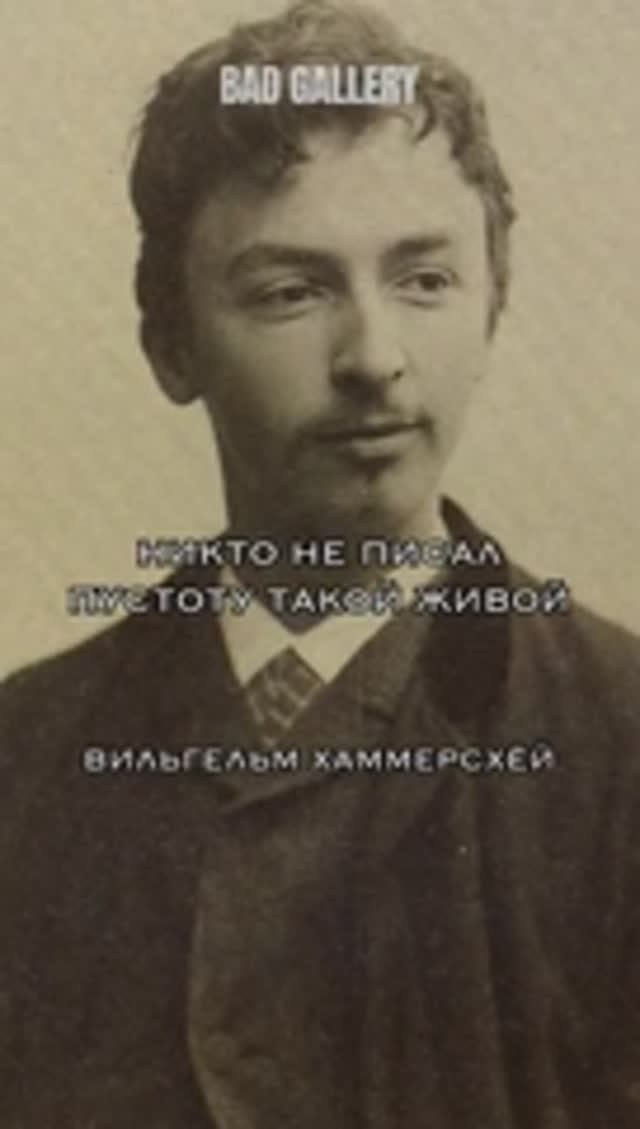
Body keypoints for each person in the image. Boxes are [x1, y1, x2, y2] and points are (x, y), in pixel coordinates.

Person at [1, 2, 639, 1126]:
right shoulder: (25, 757)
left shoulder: (619, 744)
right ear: (171, 343)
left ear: (494, 306)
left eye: (424, 279)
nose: (375, 358)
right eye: (291, 291)